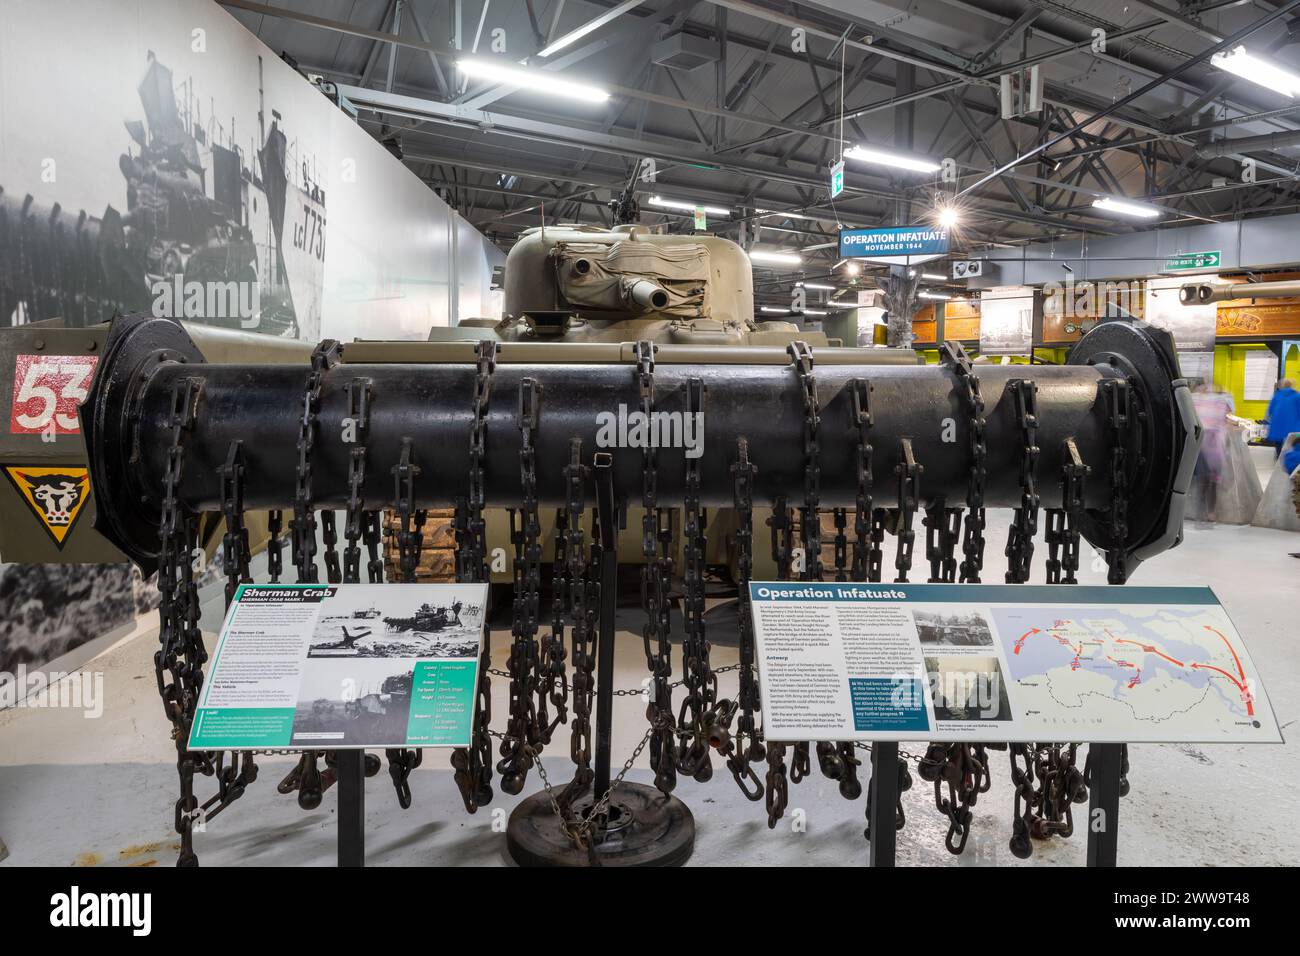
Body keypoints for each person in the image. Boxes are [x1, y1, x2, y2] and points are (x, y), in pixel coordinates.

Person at [1191, 383, 1235, 523]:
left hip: (1206, 447)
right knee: (1209, 480)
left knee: (1205, 480)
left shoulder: (1197, 402)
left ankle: (1204, 512)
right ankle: (1208, 512)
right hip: (1211, 448)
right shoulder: (1217, 402)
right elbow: (1229, 409)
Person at [1266, 378, 1300, 458]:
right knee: (1292, 443)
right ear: (1291, 385)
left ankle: (1279, 458)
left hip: (1278, 425)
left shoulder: (1277, 395)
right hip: (1293, 425)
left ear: (1282, 385)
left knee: (1279, 442)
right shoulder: (1297, 395)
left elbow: (1270, 410)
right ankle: (1291, 458)